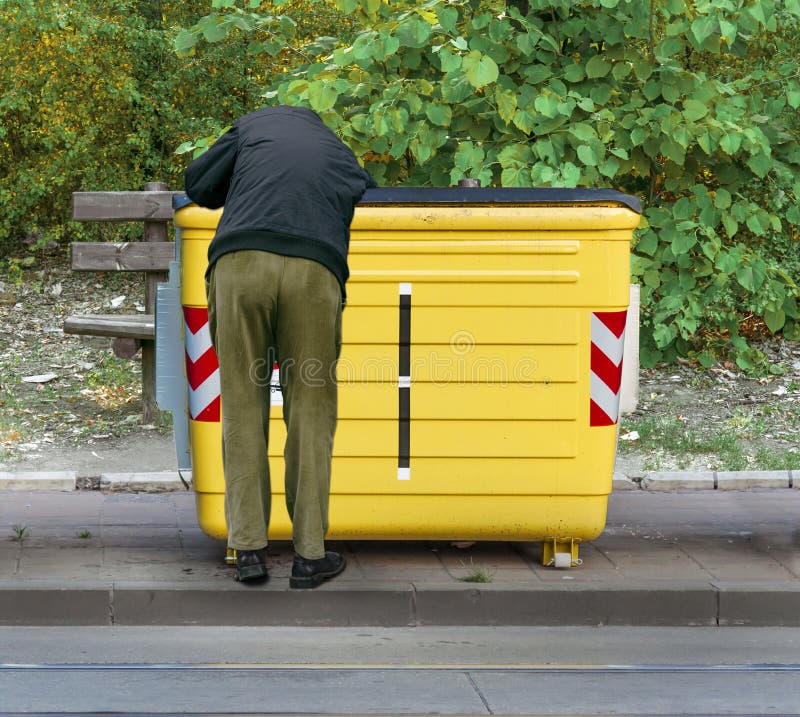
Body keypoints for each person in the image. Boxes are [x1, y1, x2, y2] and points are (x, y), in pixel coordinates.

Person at [184, 105, 375, 587]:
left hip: (241, 266)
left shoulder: (251, 128)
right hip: (314, 271)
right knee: (310, 410)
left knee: (243, 407)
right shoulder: (337, 150)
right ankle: (310, 555)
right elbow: (357, 192)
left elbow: (198, 185)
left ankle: (248, 549)